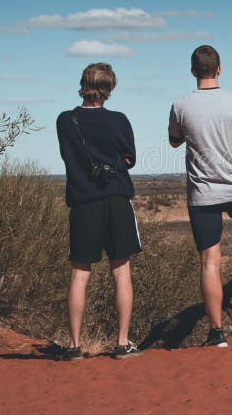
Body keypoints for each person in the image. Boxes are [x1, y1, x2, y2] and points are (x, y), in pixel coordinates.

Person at [168, 44, 232, 348]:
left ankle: (216, 333)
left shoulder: (180, 105)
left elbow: (173, 141)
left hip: (201, 195)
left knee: (209, 262)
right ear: (219, 69)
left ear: (193, 71)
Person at [56, 62, 143, 360]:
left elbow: (69, 157)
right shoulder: (119, 120)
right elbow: (130, 159)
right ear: (109, 87)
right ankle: (122, 343)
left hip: (83, 202)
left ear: (83, 83)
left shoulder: (65, 121)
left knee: (80, 274)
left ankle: (74, 346)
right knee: (121, 272)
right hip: (117, 198)